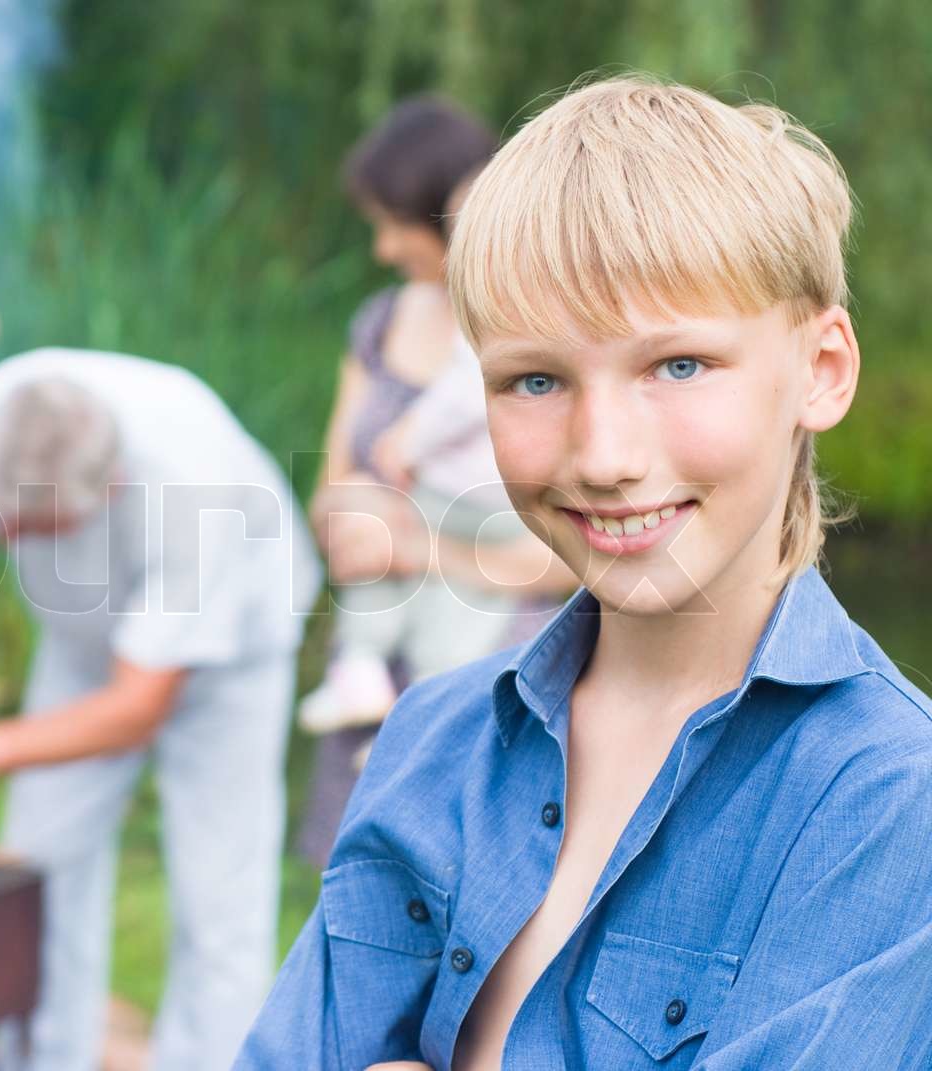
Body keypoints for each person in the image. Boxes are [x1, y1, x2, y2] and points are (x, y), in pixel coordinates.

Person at [235, 74, 932, 1071]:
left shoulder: (888, 803)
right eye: (535, 379)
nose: (601, 455)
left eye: (678, 366)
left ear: (821, 368)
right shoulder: (430, 741)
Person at [0, 349, 323, 1071]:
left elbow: (137, 706)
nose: (6, 541)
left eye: (33, 527)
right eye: (3, 522)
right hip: (81, 645)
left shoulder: (192, 483)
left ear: (112, 487)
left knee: (216, 889)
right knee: (40, 865)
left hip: (235, 649)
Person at [294, 99, 574, 866]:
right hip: (375, 651)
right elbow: (335, 476)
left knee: (469, 894)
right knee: (358, 889)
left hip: (488, 649)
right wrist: (345, 522)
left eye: (395, 224)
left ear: (452, 215)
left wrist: (419, 549)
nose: (383, 247)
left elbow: (577, 554)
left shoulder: (538, 340)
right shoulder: (380, 323)